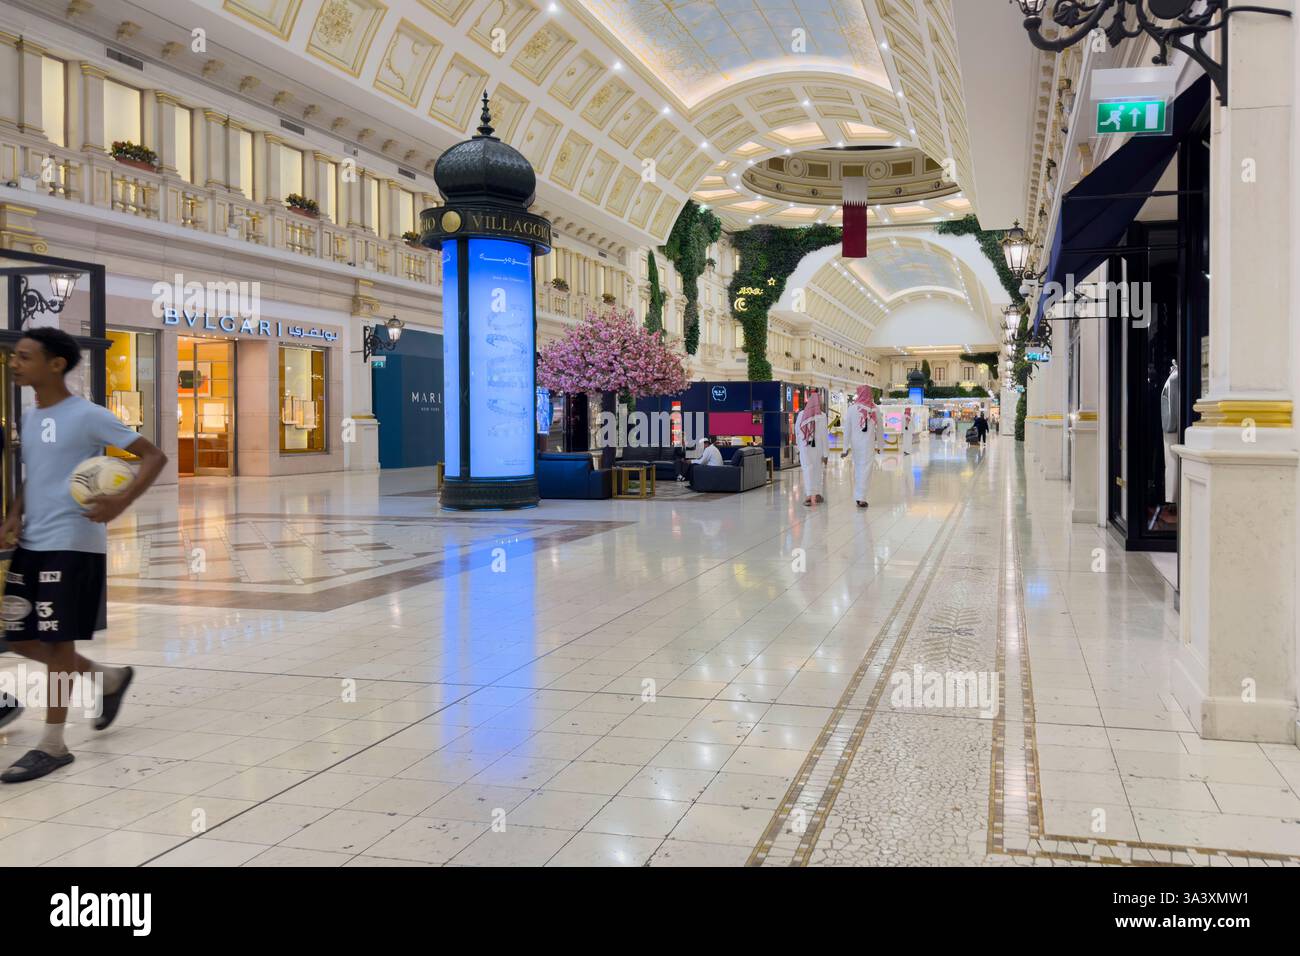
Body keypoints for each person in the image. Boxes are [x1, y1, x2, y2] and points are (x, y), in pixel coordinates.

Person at [0, 327, 167, 783]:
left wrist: (121, 500)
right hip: (33, 541)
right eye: (15, 356)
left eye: (25, 357)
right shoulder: (32, 416)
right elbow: (39, 474)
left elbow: (153, 455)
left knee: (57, 644)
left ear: (56, 365)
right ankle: (108, 679)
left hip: (73, 545)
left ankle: (53, 745)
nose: (15, 363)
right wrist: (15, 514)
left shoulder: (88, 415)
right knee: (19, 638)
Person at [841, 385, 878, 508]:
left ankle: (859, 495)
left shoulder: (852, 409)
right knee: (866, 469)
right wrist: (880, 446)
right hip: (868, 445)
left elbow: (847, 430)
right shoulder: (874, 409)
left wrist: (845, 448)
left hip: (856, 445)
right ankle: (861, 497)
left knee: (859, 468)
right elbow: (881, 429)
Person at [796, 391, 828, 506]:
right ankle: (815, 494)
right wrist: (826, 453)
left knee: (808, 470)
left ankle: (811, 495)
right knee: (817, 470)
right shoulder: (822, 416)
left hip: (805, 447)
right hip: (817, 448)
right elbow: (824, 435)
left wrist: (799, 448)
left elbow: (797, 432)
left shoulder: (801, 414)